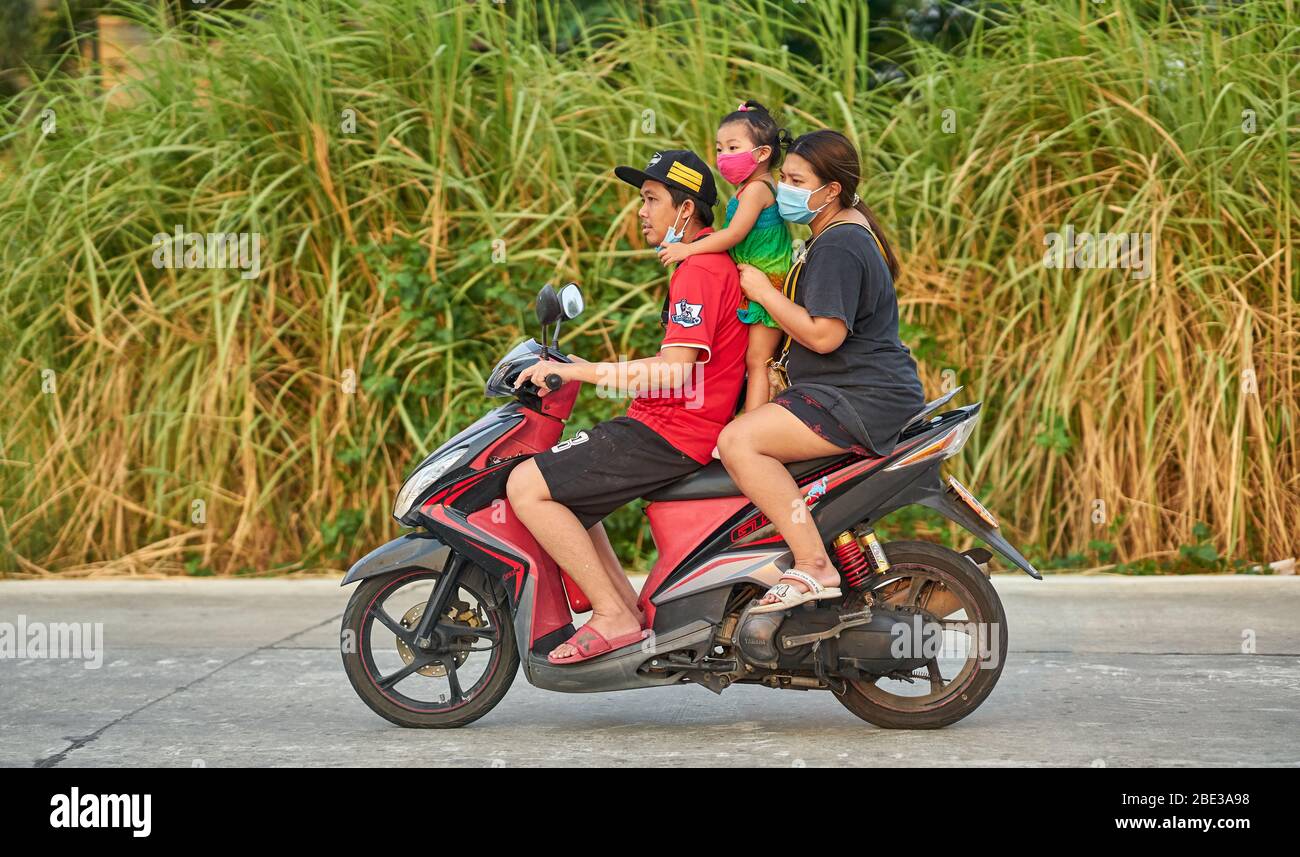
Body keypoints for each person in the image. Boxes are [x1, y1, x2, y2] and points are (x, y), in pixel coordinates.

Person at [506, 150, 747, 663]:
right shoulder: (702, 262)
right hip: (663, 422)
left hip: (675, 432)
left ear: (685, 211)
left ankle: (612, 616)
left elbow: (673, 370)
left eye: (650, 199)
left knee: (525, 484)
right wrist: (578, 364)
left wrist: (579, 373)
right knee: (564, 487)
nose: (640, 210)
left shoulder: (699, 269)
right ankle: (623, 610)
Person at [716, 129, 925, 613]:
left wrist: (765, 294)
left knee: (738, 442)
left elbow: (825, 335)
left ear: (830, 190)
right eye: (783, 176)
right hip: (852, 390)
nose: (783, 188)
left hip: (860, 397)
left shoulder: (838, 245)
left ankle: (813, 564)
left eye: (795, 179)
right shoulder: (840, 231)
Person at [657, 100, 792, 412]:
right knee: (751, 359)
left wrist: (688, 249)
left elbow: (733, 235)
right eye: (719, 149)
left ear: (762, 154)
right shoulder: (748, 188)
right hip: (754, 284)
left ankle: (751, 426)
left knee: (758, 361)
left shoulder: (758, 189)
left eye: (733, 148)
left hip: (767, 284)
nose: (723, 157)